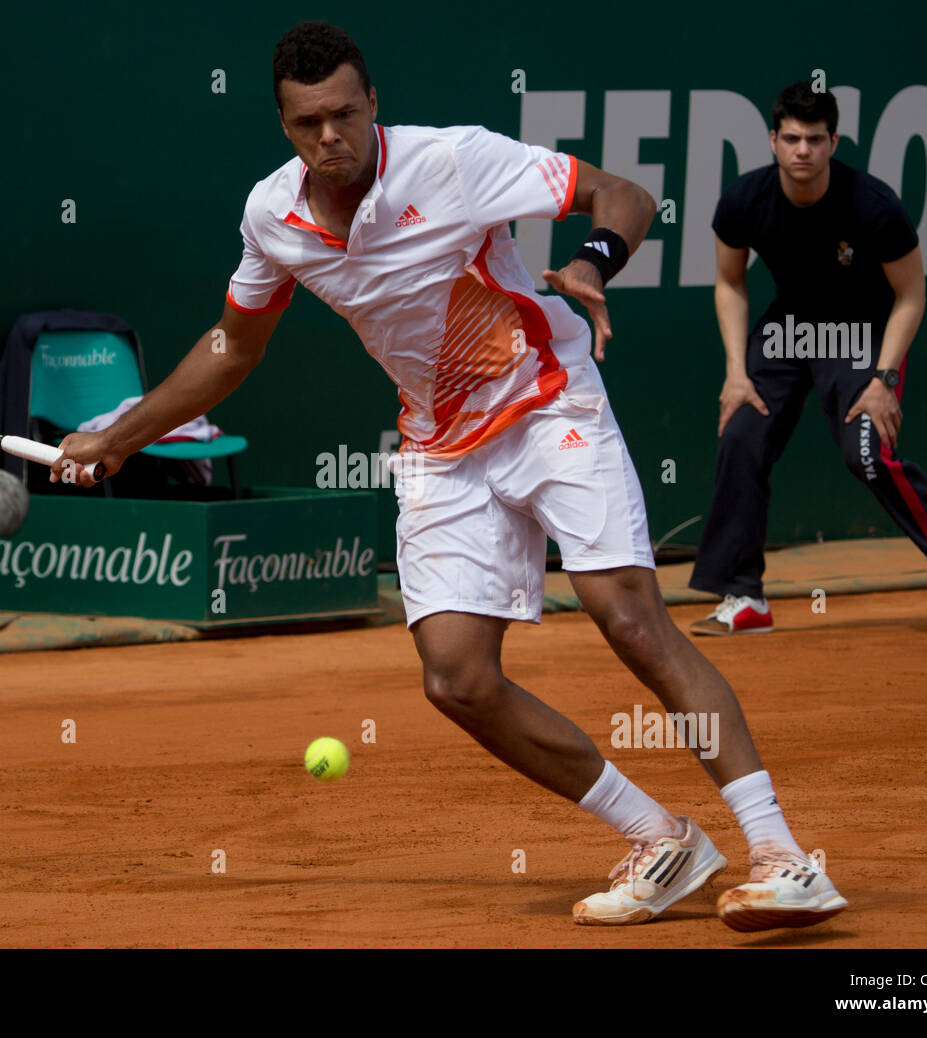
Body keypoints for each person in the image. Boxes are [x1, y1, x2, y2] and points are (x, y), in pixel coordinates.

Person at [50, 22, 846, 931]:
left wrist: (593, 262)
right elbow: (233, 345)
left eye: (344, 114)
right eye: (307, 123)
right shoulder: (272, 215)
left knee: (626, 613)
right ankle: (664, 840)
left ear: (373, 103)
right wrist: (124, 434)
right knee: (456, 679)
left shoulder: (454, 162)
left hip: (547, 400)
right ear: (283, 124)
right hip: (440, 444)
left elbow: (620, 194)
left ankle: (783, 855)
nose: (329, 137)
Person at [689, 81, 927, 637]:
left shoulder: (873, 206)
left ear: (833, 142)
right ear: (773, 140)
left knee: (866, 453)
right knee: (742, 434)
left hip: (861, 334)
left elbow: (911, 293)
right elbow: (730, 283)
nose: (804, 151)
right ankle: (743, 596)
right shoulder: (743, 200)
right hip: (790, 330)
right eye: (793, 138)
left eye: (816, 140)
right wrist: (735, 372)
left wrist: (885, 378)